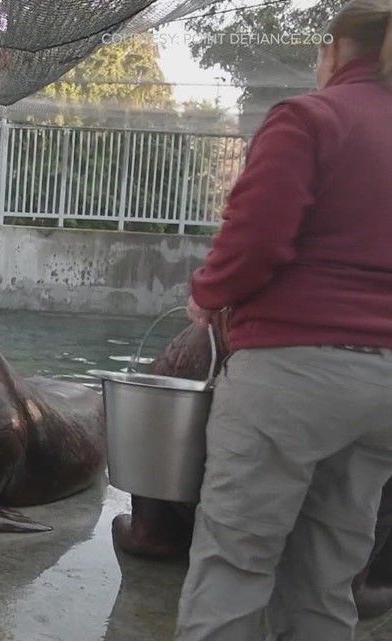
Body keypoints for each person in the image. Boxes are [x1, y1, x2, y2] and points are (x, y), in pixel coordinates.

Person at [175, 0, 392, 638]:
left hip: (294, 374)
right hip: (385, 389)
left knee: (235, 562)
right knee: (328, 575)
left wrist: (207, 295)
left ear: (334, 50)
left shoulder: (309, 117)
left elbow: (258, 240)